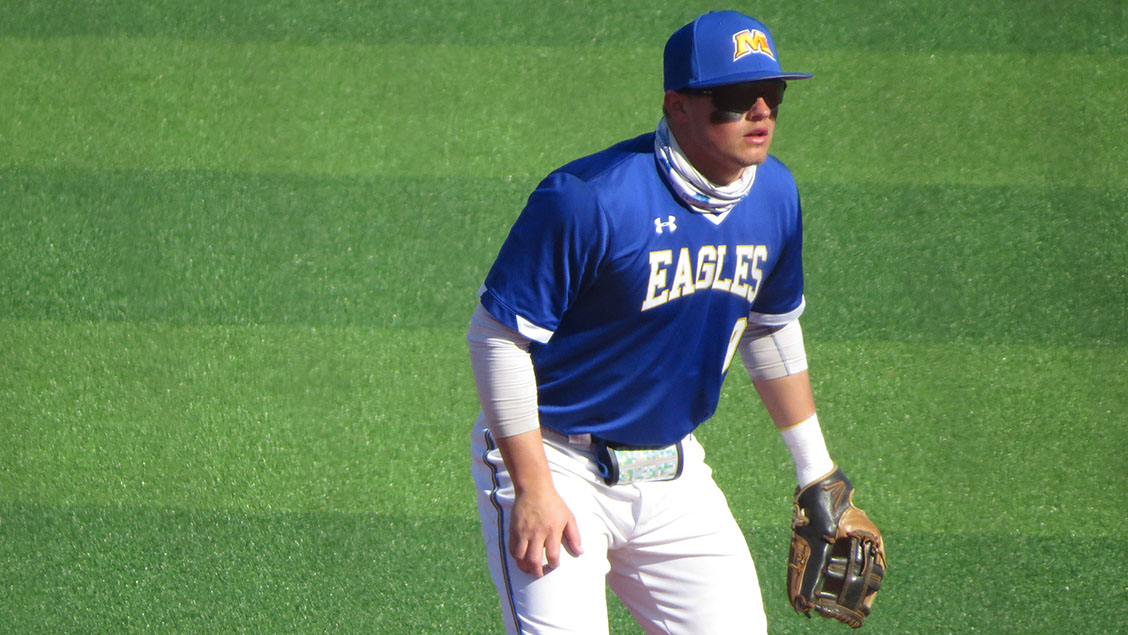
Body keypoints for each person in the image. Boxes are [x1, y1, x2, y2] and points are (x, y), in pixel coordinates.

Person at [467, 10, 849, 633]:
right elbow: (497, 338)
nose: (759, 111)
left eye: (771, 94)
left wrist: (816, 471)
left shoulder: (775, 195)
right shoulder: (588, 198)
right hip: (557, 461)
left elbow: (770, 326)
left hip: (674, 473)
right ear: (678, 107)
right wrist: (533, 488)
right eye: (732, 98)